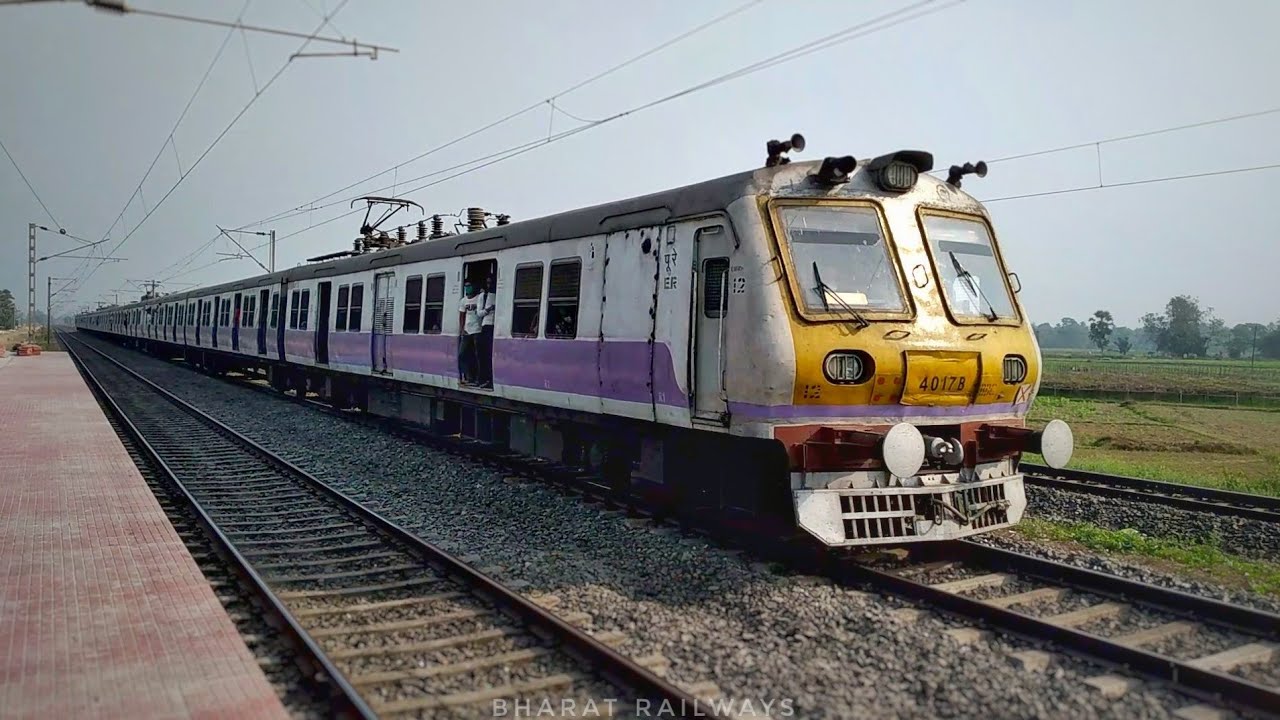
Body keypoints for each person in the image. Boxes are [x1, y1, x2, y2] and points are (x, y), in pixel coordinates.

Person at [458, 281, 483, 384]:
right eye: (466, 286)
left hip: (478, 330)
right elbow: (462, 315)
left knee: (478, 355)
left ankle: (478, 378)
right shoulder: (463, 301)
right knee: (462, 354)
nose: (468, 288)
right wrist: (461, 329)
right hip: (467, 331)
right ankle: (468, 376)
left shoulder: (479, 298)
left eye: (469, 286)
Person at [477, 276, 495, 388]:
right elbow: (479, 313)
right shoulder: (483, 296)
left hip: (496, 325)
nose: (489, 285)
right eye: (487, 283)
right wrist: (488, 310)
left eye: (491, 283)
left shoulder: (498, 295)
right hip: (486, 325)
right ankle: (485, 378)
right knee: (485, 355)